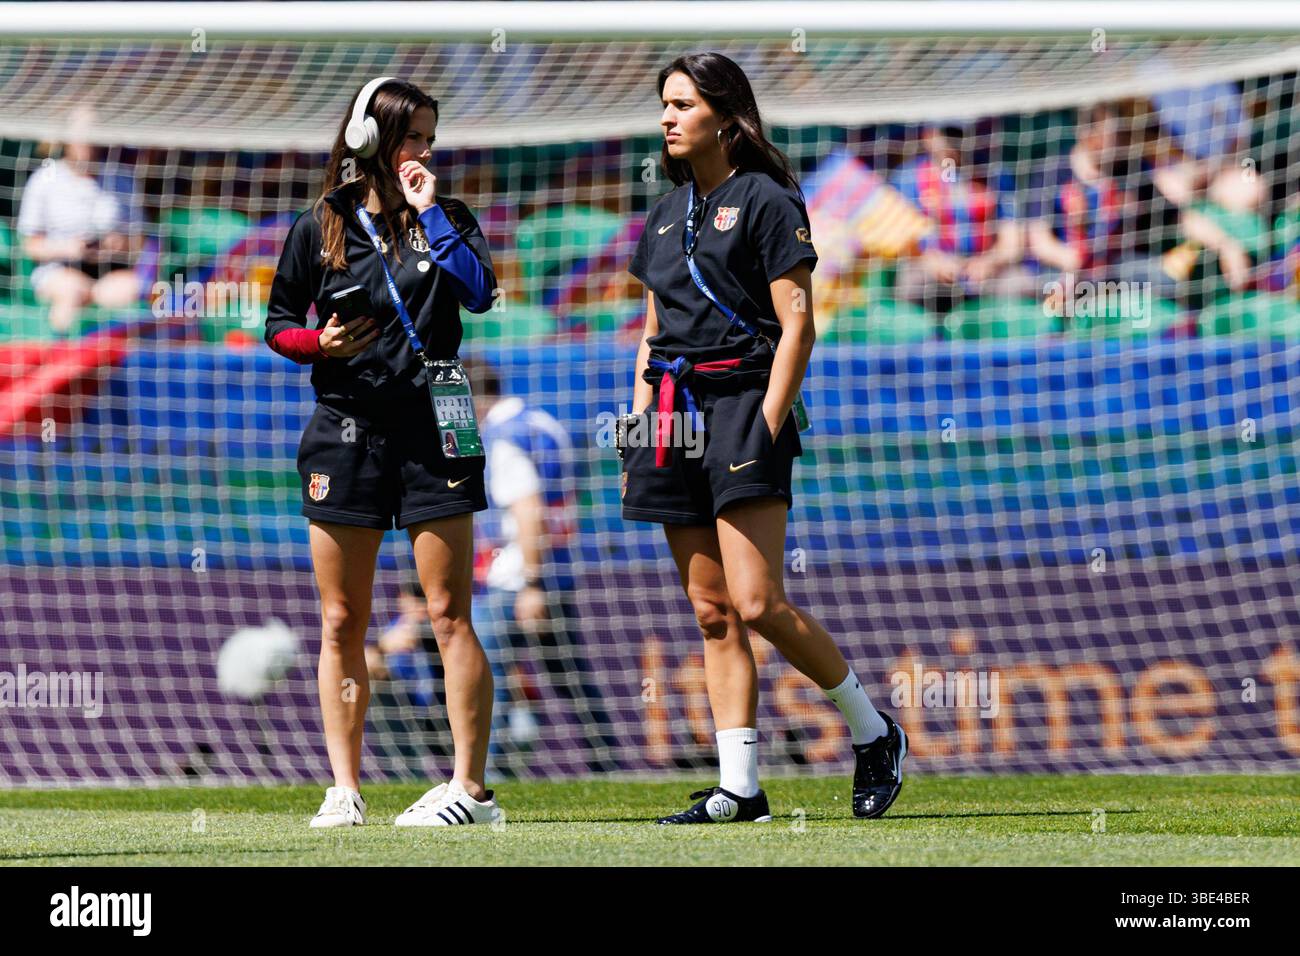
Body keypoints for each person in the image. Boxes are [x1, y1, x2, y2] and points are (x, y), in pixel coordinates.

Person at [621, 52, 908, 824]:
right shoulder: (660, 213)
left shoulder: (770, 200)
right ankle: (740, 788)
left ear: (724, 113)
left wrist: (768, 422)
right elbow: (652, 336)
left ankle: (873, 731)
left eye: (682, 104)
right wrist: (642, 420)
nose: (667, 118)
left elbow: (799, 324)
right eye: (664, 105)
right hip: (675, 415)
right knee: (710, 610)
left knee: (757, 601)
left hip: (746, 402)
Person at [265, 77, 501, 828]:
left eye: (431, 136)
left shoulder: (450, 218)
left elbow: (480, 293)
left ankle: (471, 789)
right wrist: (318, 342)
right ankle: (345, 788)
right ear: (370, 140)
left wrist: (431, 214)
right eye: (412, 137)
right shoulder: (323, 225)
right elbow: (277, 323)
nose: (425, 151)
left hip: (444, 408)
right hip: (347, 421)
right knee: (341, 618)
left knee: (449, 612)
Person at [466, 360, 619, 775]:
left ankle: (487, 772)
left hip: (518, 575)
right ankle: (608, 762)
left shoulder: (502, 437)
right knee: (568, 675)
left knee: (483, 670)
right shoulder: (546, 424)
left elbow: (528, 508)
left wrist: (531, 582)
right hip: (557, 567)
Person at [16, 109, 139, 334]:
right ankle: (57, 355)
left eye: (93, 131)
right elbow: (30, 245)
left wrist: (118, 245)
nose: (87, 139)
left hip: (108, 272)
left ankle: (117, 364)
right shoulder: (45, 178)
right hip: (58, 270)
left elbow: (140, 242)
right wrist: (68, 248)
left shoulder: (122, 178)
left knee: (131, 290)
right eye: (80, 132)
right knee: (72, 292)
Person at [892, 122, 1032, 312]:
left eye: (962, 137)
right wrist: (932, 261)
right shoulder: (907, 178)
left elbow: (1013, 242)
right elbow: (901, 240)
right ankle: (929, 339)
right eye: (948, 138)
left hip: (987, 267)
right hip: (933, 269)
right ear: (929, 137)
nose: (956, 144)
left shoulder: (995, 174)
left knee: (1020, 284)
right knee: (911, 283)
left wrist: (990, 261)